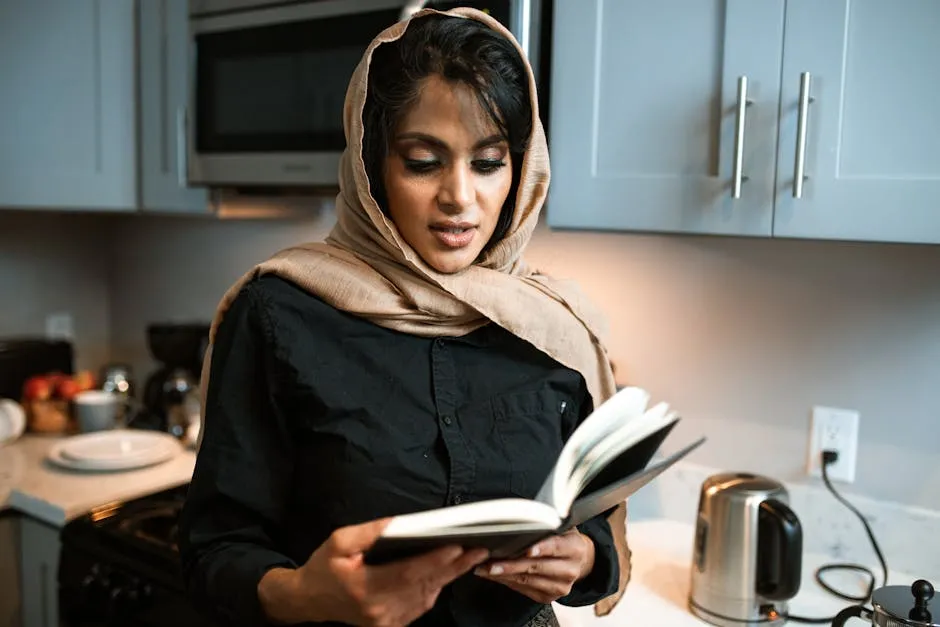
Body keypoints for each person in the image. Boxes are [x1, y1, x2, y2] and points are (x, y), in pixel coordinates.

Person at [179, 7, 632, 627]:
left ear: (519, 169)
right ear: (373, 163)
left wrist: (582, 558)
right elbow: (214, 551)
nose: (459, 197)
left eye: (488, 162)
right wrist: (302, 593)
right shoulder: (280, 311)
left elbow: (594, 519)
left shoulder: (553, 326)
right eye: (423, 161)